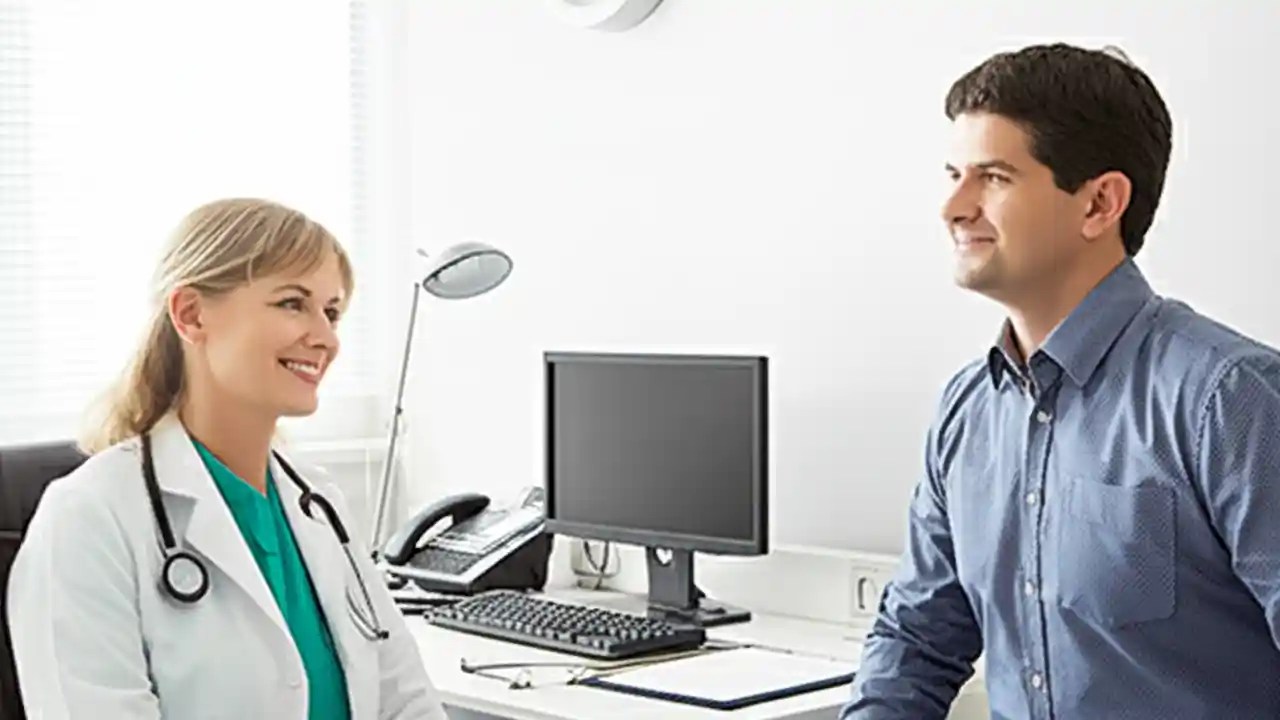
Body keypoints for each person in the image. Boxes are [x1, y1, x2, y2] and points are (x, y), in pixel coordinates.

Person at [840, 43, 1280, 719]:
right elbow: (916, 641)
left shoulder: (1229, 400)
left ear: (1100, 203)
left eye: (993, 176)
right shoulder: (967, 411)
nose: (953, 207)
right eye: (954, 173)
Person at [6, 198, 449, 719]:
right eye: (292, 303)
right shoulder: (89, 516)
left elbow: (406, 702)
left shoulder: (319, 504)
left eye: (331, 311)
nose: (326, 338)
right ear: (191, 315)